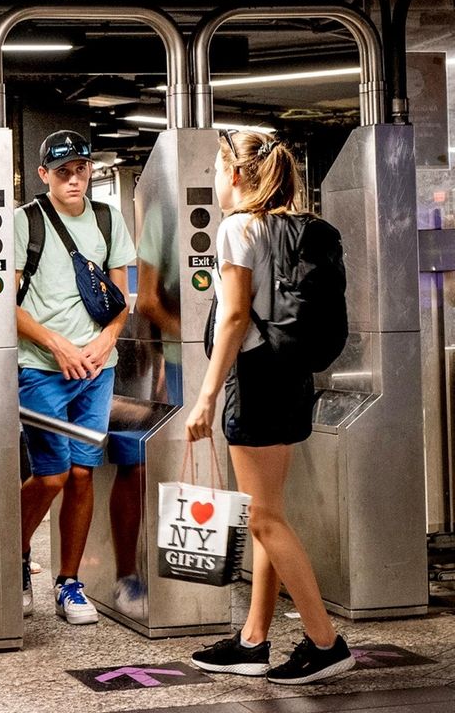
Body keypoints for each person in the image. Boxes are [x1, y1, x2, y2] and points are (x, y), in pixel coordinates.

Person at [186, 129, 354, 684]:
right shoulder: (299, 225)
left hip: (254, 379)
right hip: (293, 376)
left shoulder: (239, 227)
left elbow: (233, 318)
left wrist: (206, 397)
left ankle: (325, 642)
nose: (215, 181)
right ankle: (254, 640)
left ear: (236, 175)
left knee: (264, 518)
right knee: (269, 513)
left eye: (216, 170)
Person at [14, 130, 135, 623]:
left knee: (84, 473)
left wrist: (106, 342)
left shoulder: (108, 217)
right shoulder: (25, 222)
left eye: (80, 169)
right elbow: (4, 303)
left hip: (96, 369)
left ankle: (69, 583)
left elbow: (121, 298)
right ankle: (16, 558)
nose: (73, 179)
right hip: (42, 367)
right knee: (51, 474)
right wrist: (58, 345)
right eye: (62, 171)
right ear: (44, 175)